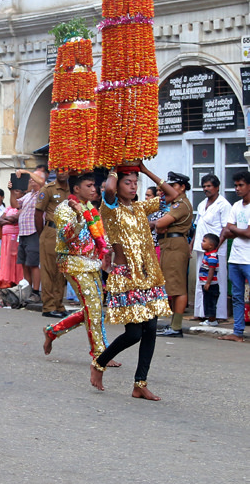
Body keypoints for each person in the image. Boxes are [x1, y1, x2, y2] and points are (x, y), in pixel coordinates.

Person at [90, 163, 173, 400]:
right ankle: (99, 363)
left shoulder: (140, 207)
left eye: (136, 182)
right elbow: (108, 191)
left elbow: (172, 195)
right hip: (126, 278)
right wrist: (115, 169)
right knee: (134, 333)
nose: (133, 186)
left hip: (149, 276)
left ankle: (140, 383)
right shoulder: (110, 208)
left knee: (150, 331)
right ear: (118, 184)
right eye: (128, 182)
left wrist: (146, 172)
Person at [43, 172, 112, 362]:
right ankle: (100, 354)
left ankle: (53, 331)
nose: (93, 189)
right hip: (73, 263)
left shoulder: (90, 207)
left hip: (92, 263)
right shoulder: (64, 209)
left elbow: (99, 235)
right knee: (94, 307)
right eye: (89, 185)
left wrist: (107, 250)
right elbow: (66, 236)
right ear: (76, 189)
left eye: (94, 185)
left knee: (94, 308)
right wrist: (79, 216)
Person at [154, 172, 194, 338]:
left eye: (174, 185)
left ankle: (176, 326)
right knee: (171, 285)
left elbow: (160, 223)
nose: (169, 189)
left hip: (175, 245)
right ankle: (173, 324)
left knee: (178, 287)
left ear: (182, 187)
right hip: (169, 244)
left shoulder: (181, 204)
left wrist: (159, 225)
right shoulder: (174, 203)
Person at [218, 170, 250, 343]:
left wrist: (235, 230)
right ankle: (237, 332)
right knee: (237, 296)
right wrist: (240, 231)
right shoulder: (236, 206)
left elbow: (247, 233)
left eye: (241, 185)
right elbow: (226, 230)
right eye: (236, 185)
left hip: (249, 260)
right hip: (236, 258)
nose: (237, 189)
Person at [192, 174, 229, 322]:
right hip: (202, 248)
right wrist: (191, 244)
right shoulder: (202, 204)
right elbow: (198, 226)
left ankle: (217, 315)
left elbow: (226, 229)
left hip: (216, 250)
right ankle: (201, 312)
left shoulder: (224, 205)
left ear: (217, 187)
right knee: (201, 280)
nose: (206, 189)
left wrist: (214, 249)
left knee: (215, 282)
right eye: (204, 186)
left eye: (209, 186)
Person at [36, 170, 71, 318]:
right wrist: (43, 234)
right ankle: (48, 306)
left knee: (61, 272)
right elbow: (38, 214)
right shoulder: (48, 189)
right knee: (49, 271)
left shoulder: (73, 189)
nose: (62, 172)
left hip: (67, 234)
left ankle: (58, 305)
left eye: (65, 169)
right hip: (51, 232)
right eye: (59, 169)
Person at [15, 171, 44, 301]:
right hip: (23, 232)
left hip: (33, 231)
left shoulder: (42, 193)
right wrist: (11, 191)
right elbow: (15, 204)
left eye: (33, 178)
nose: (31, 180)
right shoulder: (28, 195)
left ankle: (36, 292)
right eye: (30, 179)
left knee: (33, 264)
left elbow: (42, 183)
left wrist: (27, 172)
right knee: (24, 263)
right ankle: (27, 290)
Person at [198, 234, 222, 327]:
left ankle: (212, 320)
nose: (201, 243)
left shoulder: (212, 256)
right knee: (207, 301)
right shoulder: (207, 255)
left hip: (211, 285)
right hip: (206, 283)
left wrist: (208, 282)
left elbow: (211, 270)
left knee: (210, 302)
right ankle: (209, 319)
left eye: (204, 241)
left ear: (211, 245)